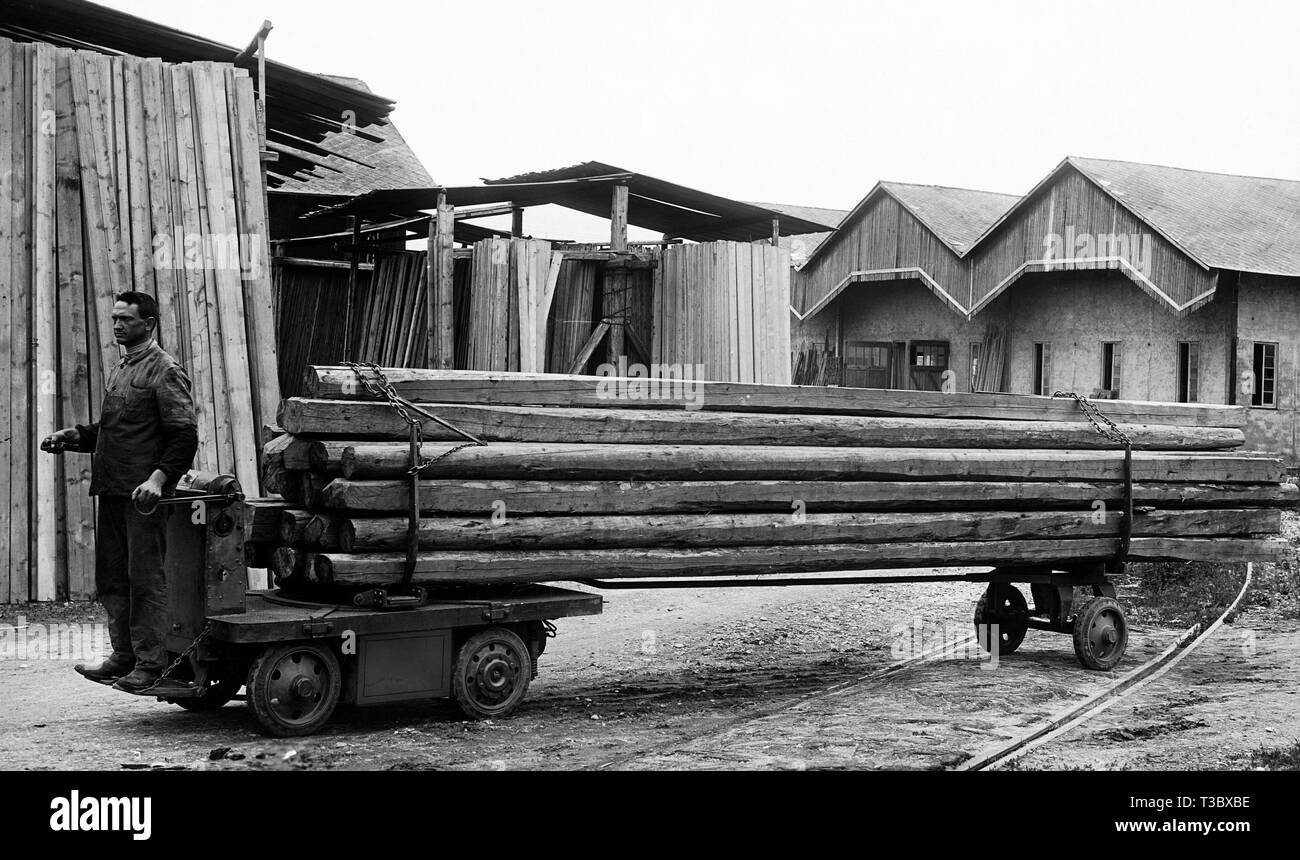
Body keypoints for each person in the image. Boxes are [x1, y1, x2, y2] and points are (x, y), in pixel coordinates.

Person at [43, 292, 199, 694]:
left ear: (149, 323)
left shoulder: (164, 371)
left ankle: (151, 663)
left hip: (143, 497)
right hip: (112, 490)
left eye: (126, 320)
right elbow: (115, 431)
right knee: (113, 578)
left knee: (146, 579)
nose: (117, 326)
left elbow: (184, 435)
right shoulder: (122, 369)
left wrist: (159, 480)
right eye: (114, 319)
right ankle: (124, 656)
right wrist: (75, 437)